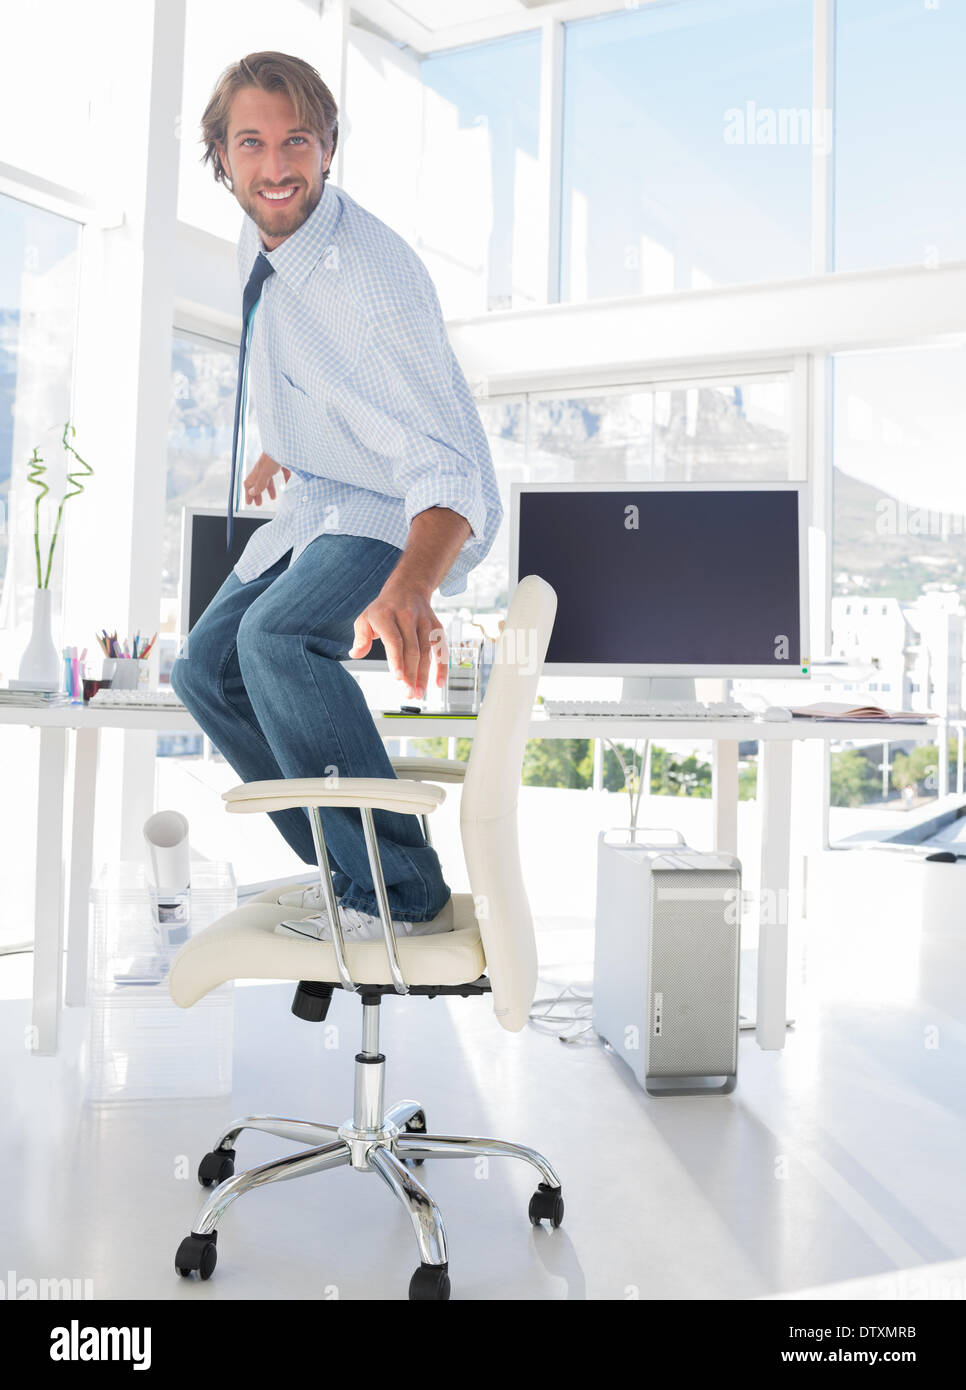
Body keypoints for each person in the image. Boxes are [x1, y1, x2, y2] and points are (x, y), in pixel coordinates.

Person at [170, 51, 502, 945]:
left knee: (276, 640)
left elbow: (448, 468)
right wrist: (289, 437)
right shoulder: (265, 230)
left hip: (403, 505)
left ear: (328, 149)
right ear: (222, 155)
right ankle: (348, 871)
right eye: (253, 143)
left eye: (297, 143)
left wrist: (413, 584)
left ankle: (400, 890)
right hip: (325, 491)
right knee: (203, 670)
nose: (276, 167)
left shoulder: (373, 281)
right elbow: (318, 363)